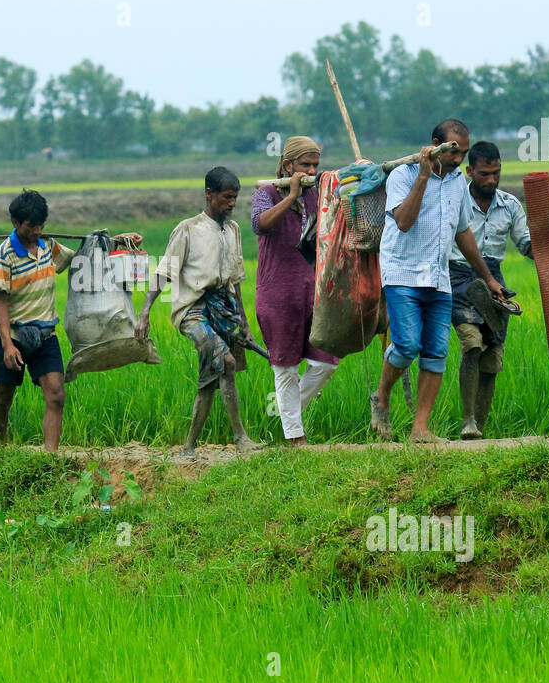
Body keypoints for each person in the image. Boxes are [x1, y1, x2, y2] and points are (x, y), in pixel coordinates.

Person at [368, 120, 504, 443]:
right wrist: (424, 177)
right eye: (454, 151)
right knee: (406, 345)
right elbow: (402, 221)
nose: (459, 160)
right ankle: (382, 397)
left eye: (464, 153)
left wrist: (487, 278)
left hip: (438, 278)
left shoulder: (458, 182)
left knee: (436, 352)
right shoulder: (403, 176)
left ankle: (420, 430)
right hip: (402, 274)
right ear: (435, 144)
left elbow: (463, 233)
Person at [0, 189, 140, 451]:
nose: (36, 231)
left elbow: (84, 256)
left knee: (56, 395)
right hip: (14, 336)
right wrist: (7, 345)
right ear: (15, 222)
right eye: (30, 226)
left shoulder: (49, 246)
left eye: (40, 226)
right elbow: (0, 301)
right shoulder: (5, 254)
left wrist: (117, 242)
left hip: (46, 334)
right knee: (3, 400)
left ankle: (50, 458)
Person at [135, 167, 261, 454]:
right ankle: (239, 437)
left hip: (223, 308)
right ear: (209, 195)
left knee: (217, 372)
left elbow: (236, 278)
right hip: (192, 310)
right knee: (225, 361)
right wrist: (144, 312)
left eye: (235, 198)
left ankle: (190, 446)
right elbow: (164, 272)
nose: (232, 203)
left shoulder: (233, 230)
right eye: (226, 197)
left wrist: (243, 322)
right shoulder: (188, 229)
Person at [451, 140, 549, 439]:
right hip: (460, 277)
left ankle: (480, 426)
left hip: (494, 279)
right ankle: (467, 420)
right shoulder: (455, 201)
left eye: (496, 173)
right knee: (471, 344)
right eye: (484, 174)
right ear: (469, 172)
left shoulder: (510, 205)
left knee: (492, 355)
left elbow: (528, 246)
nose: (491, 180)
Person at [251, 136, 348, 445]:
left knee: (324, 362)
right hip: (277, 294)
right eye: (305, 165)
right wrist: (290, 195)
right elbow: (260, 224)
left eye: (315, 165)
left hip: (312, 293)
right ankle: (294, 437)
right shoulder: (266, 193)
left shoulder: (317, 194)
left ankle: (286, 415)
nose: (310, 170)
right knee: (286, 367)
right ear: (288, 165)